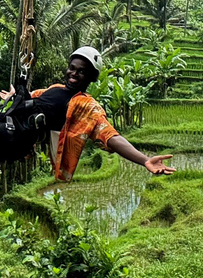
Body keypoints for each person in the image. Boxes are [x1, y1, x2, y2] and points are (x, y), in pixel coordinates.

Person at [0, 47, 175, 182]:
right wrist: (13, 98)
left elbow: (111, 136)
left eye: (82, 71)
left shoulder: (85, 105)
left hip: (14, 138)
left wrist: (145, 160)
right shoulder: (54, 89)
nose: (74, 74)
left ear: (92, 77)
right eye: (72, 68)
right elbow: (30, 100)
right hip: (8, 125)